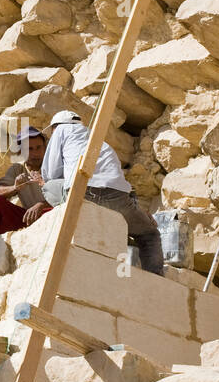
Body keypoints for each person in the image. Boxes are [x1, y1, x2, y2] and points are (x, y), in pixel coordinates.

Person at [42, 110, 165, 275]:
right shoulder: (97, 138)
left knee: (48, 186)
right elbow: (120, 183)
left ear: (55, 127)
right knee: (150, 234)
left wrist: (42, 181)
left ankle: (77, 213)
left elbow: (51, 172)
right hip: (117, 197)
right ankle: (154, 278)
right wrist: (138, 211)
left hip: (83, 191)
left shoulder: (61, 131)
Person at [0, 126, 53, 239]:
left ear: (45, 147)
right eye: (29, 149)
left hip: (51, 214)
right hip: (29, 218)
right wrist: (15, 187)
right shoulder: (17, 169)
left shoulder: (53, 165)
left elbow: (66, 195)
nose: (35, 153)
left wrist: (41, 205)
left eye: (38, 148)